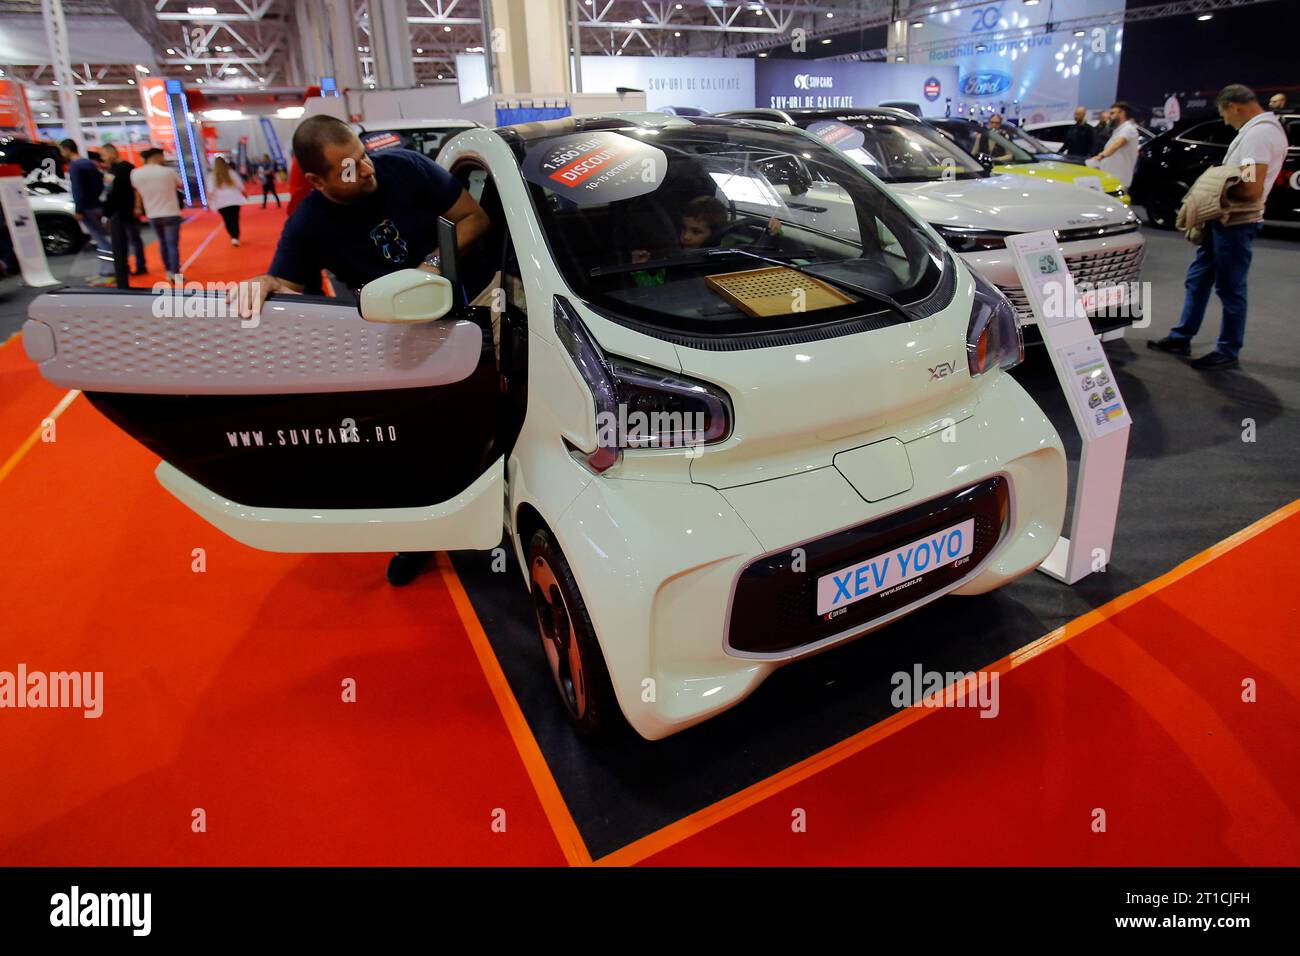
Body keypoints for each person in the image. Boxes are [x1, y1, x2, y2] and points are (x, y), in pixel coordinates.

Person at [230, 115, 491, 586]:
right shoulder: (308, 223)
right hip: (389, 341)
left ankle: (490, 518)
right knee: (411, 444)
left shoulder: (406, 168)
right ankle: (418, 534)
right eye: (349, 168)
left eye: (364, 156)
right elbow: (286, 283)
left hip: (464, 319)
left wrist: (429, 268)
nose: (366, 170)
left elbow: (474, 217)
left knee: (484, 423)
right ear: (316, 181)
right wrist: (265, 283)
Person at [1148, 84, 1288, 370]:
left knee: (1230, 287)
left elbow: (1251, 187)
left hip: (1235, 222)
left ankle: (1227, 349)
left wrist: (1211, 196)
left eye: (1224, 114)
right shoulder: (1262, 131)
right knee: (1198, 279)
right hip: (1225, 223)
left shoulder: (1259, 135)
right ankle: (1182, 336)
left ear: (1235, 106)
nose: (1225, 120)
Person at [58, 138, 114, 286]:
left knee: (101, 240)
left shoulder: (75, 166)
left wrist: (78, 209)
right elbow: (100, 185)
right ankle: (105, 271)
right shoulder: (89, 163)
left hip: (87, 207)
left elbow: (78, 190)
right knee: (102, 238)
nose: (62, 153)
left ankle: (109, 271)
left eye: (62, 150)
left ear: (67, 149)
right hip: (96, 205)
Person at [131, 148, 184, 281]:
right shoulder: (167, 172)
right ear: (157, 156)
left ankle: (168, 271)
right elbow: (180, 185)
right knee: (172, 244)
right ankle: (176, 273)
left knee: (163, 243)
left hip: (152, 213)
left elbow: (137, 192)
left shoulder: (136, 173)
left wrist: (138, 207)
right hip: (171, 212)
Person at [98, 144, 146, 287]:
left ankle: (140, 265)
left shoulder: (126, 168)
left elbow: (136, 189)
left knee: (134, 239)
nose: (103, 158)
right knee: (121, 243)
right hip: (116, 213)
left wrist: (137, 206)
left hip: (127, 211)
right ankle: (124, 268)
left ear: (112, 153)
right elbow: (108, 192)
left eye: (104, 155)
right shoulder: (111, 170)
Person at [1090, 101, 1141, 188]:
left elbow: (1117, 145)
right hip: (1110, 178)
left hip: (1119, 180)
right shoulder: (1118, 130)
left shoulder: (1128, 129)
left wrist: (1100, 156)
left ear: (1122, 113)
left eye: (1112, 113)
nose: (1110, 116)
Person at [207, 155, 245, 247]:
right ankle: (235, 236)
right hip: (234, 199)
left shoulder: (212, 176)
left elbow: (210, 191)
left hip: (221, 202)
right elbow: (240, 185)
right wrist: (244, 194)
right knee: (235, 219)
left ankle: (232, 235)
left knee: (227, 220)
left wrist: (210, 202)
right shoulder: (231, 173)